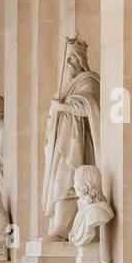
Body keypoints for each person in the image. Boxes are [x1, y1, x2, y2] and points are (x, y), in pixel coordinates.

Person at [41, 37, 100, 240]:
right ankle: (60, 225)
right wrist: (54, 113)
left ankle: (63, 227)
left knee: (67, 181)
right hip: (62, 142)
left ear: (80, 60)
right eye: (65, 60)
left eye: (71, 60)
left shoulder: (89, 80)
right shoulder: (66, 87)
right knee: (59, 181)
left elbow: (89, 107)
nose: (67, 65)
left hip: (77, 143)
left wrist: (61, 107)